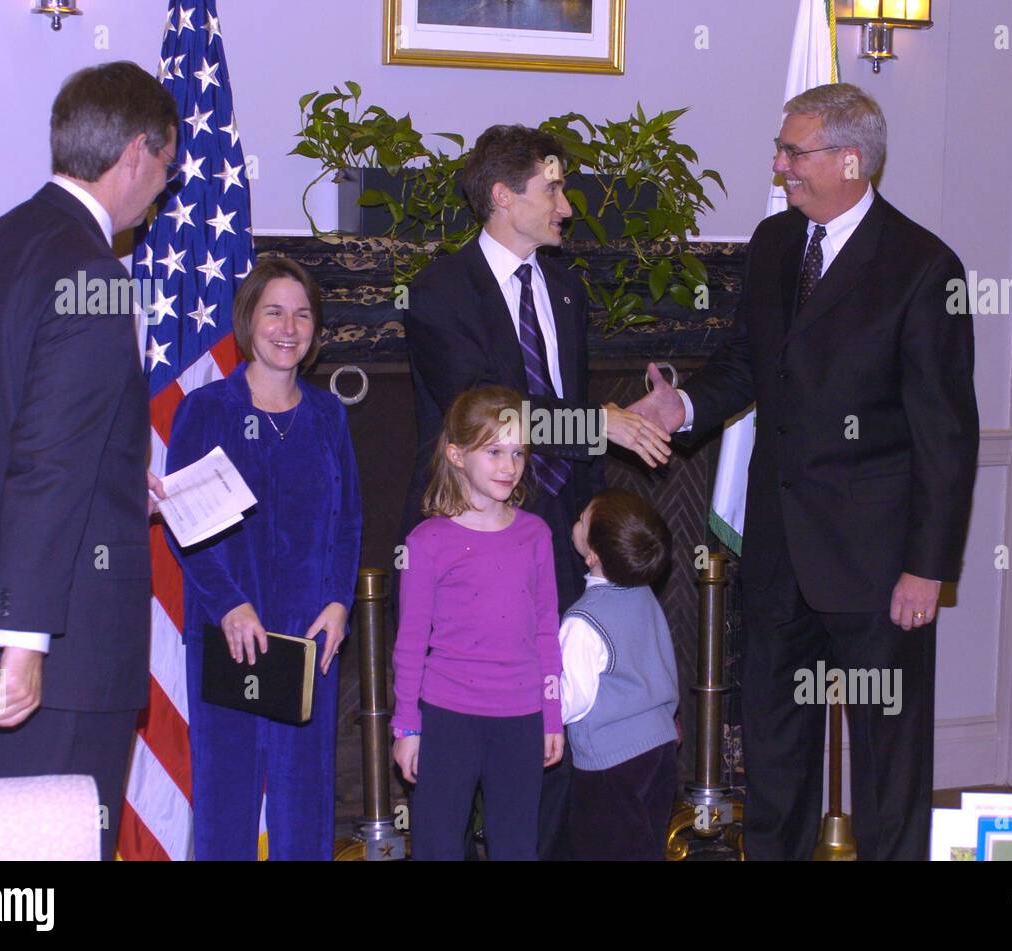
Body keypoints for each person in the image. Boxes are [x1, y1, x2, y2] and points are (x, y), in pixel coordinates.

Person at [629, 82, 979, 860]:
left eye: (794, 151)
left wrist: (928, 568)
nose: (779, 164)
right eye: (782, 149)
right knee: (778, 757)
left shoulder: (924, 267)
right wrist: (681, 409)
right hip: (780, 556)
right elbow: (745, 365)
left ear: (850, 159)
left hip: (879, 566)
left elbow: (946, 434)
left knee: (888, 766)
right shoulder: (777, 242)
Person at [0, 62, 178, 859]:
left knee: (11, 860)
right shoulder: (95, 275)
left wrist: (114, 477)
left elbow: (8, 428)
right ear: (136, 151)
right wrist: (25, 641)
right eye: (167, 168)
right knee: (48, 863)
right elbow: (48, 466)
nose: (163, 191)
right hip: (55, 644)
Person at [403, 123, 672, 858]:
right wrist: (599, 422)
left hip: (557, 537)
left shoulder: (565, 287)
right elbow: (487, 415)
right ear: (502, 194)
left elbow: (570, 413)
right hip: (471, 545)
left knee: (548, 738)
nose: (567, 204)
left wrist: (617, 440)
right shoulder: (438, 292)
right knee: (461, 764)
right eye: (551, 187)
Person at [167, 259, 362, 860]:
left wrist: (338, 603)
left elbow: (347, 520)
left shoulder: (329, 415)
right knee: (226, 805)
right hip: (229, 634)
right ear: (247, 320)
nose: (289, 326)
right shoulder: (204, 410)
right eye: (274, 311)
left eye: (303, 314)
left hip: (309, 639)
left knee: (304, 806)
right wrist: (229, 606)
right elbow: (188, 528)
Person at [391, 386, 563, 861]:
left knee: (516, 845)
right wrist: (407, 727)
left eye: (518, 452)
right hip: (448, 716)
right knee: (439, 845)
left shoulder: (536, 534)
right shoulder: (426, 542)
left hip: (522, 716)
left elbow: (547, 630)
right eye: (493, 452)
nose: (509, 466)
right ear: (456, 455)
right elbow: (410, 643)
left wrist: (552, 713)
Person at [560, 489, 679, 861]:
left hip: (610, 762)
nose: (577, 519)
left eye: (583, 519)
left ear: (592, 555)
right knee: (645, 848)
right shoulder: (644, 595)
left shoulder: (582, 620)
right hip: (660, 749)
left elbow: (571, 703)